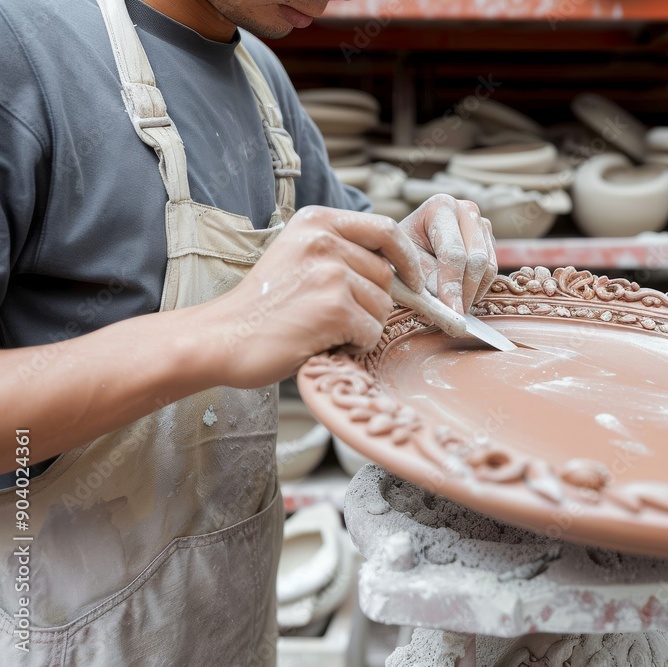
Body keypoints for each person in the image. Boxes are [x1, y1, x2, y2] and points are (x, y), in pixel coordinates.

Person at [0, 0, 496, 663]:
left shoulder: (262, 78)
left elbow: (345, 279)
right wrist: (223, 332)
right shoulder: (22, 47)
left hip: (225, 627)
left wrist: (411, 254)